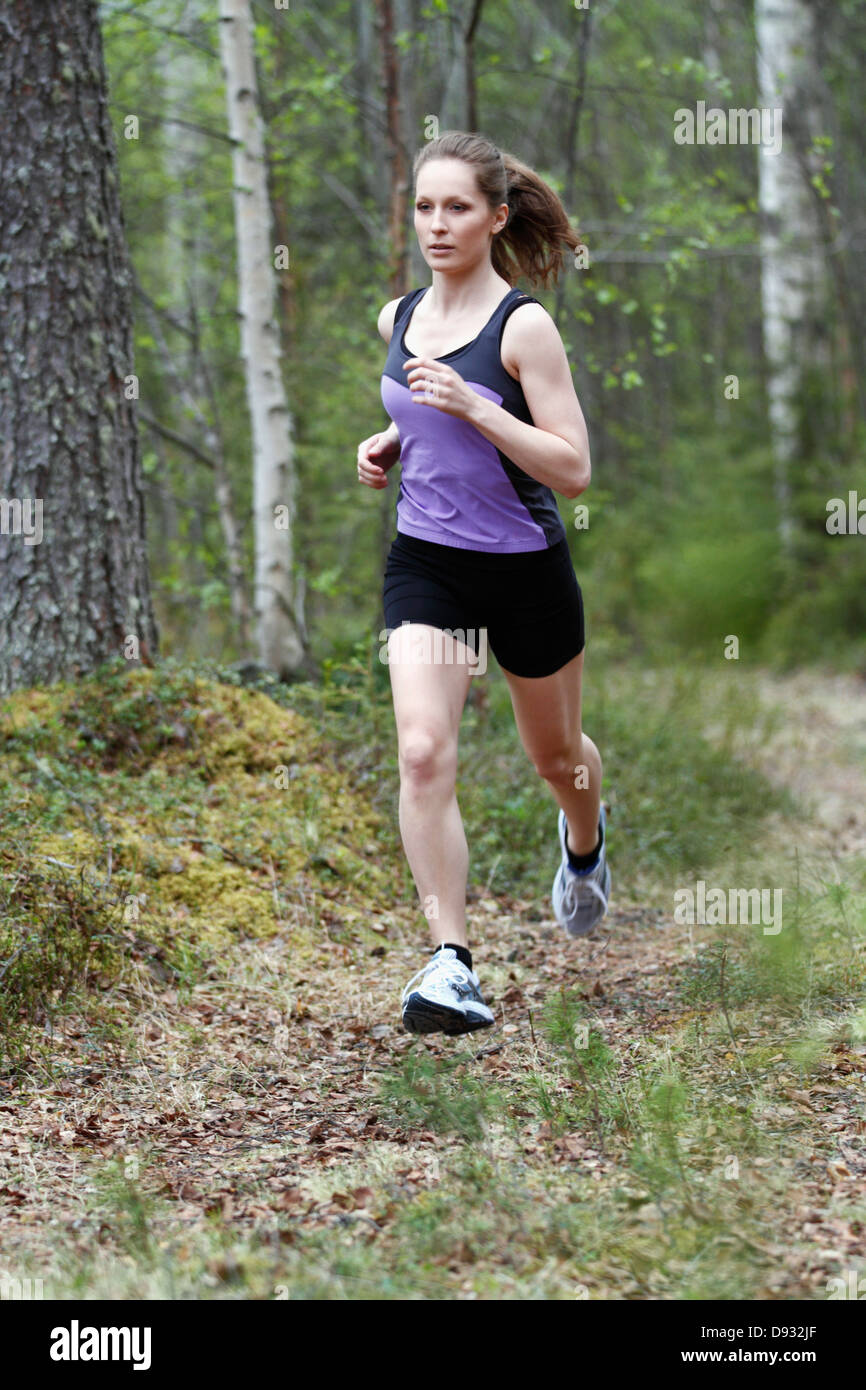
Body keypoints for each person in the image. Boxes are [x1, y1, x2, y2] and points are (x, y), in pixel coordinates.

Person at [356, 131, 610, 1037]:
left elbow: (572, 468)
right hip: (428, 564)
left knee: (559, 759)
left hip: (525, 571)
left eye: (457, 207)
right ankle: (449, 964)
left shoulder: (524, 326)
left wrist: (474, 406)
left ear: (497, 217)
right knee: (423, 750)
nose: (437, 224)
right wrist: (387, 442)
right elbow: (410, 413)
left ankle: (585, 842)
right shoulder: (399, 317)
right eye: (424, 206)